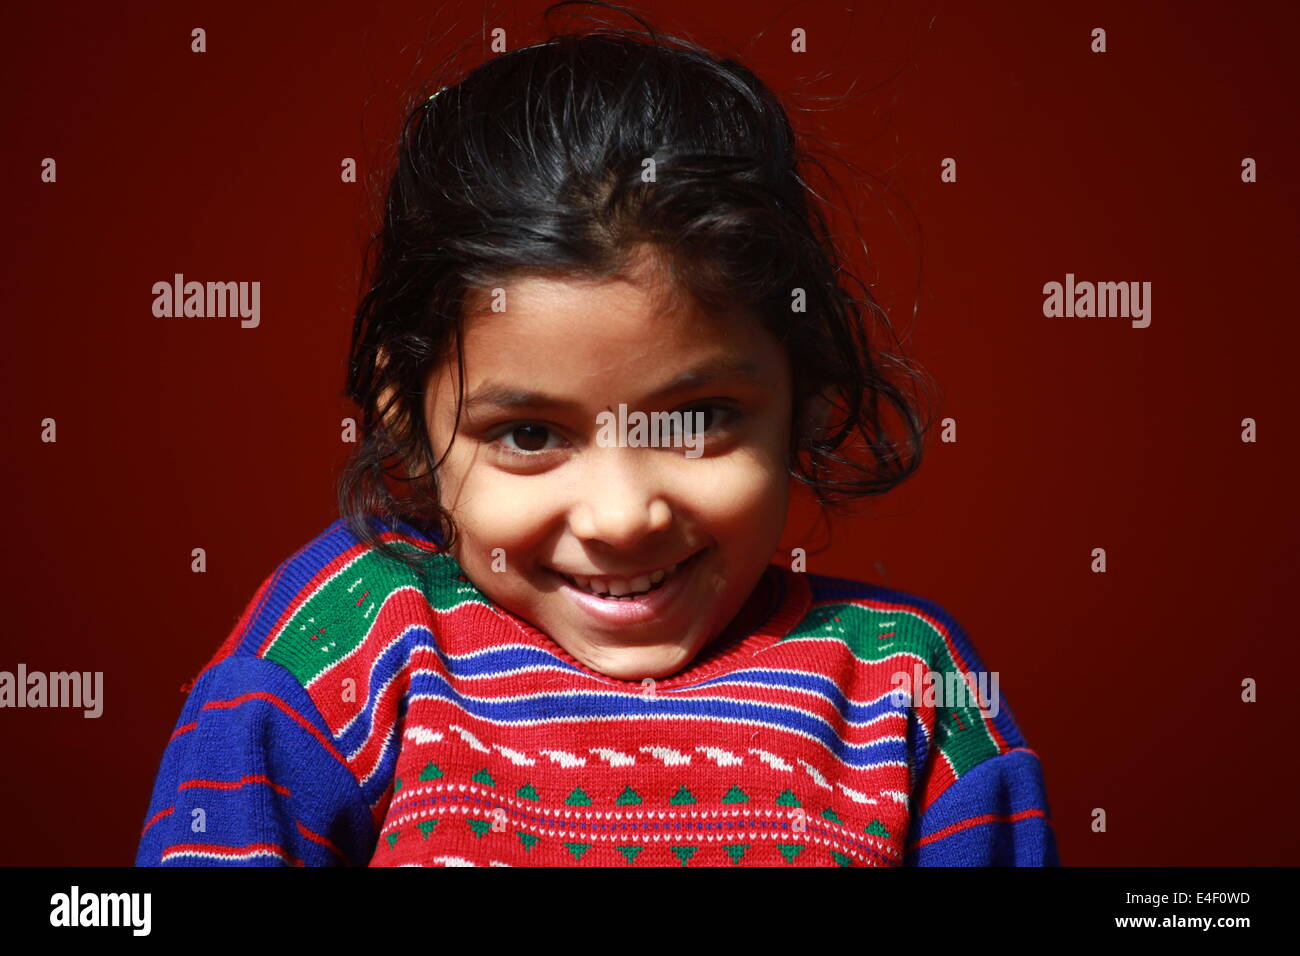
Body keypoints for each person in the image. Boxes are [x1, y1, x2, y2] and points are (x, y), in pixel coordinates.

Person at [135, 7, 1058, 867]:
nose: (621, 518)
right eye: (530, 433)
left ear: (807, 394)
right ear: (404, 411)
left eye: (694, 421)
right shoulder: (346, 649)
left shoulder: (905, 683)